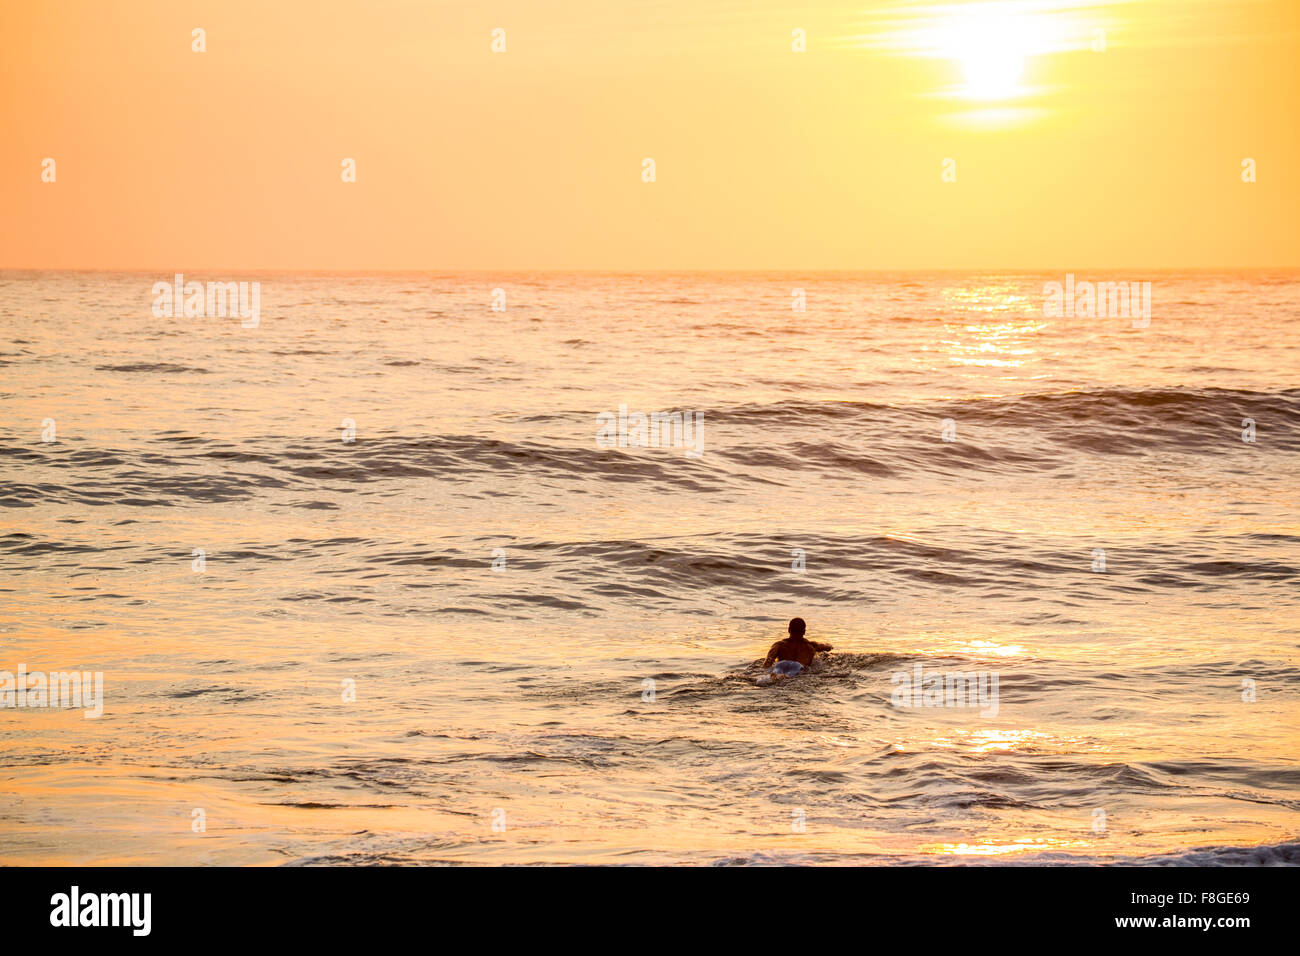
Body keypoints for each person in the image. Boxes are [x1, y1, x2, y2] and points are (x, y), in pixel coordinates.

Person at [762, 618, 832, 671]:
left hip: (783, 669)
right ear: (804, 632)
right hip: (801, 672)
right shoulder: (811, 646)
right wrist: (829, 645)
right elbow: (828, 648)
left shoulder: (779, 645)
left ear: (789, 630)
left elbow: (767, 664)